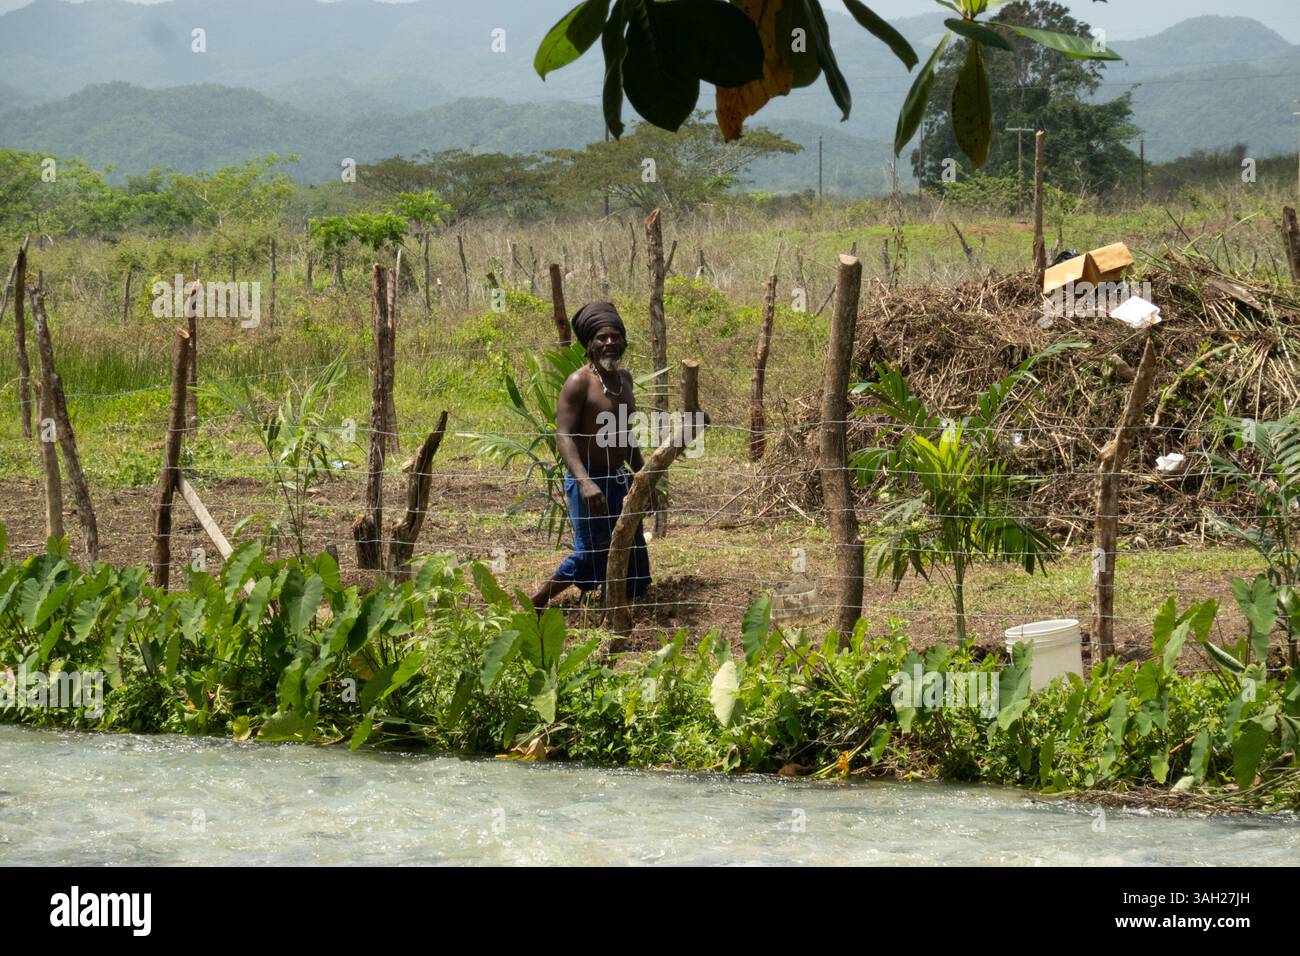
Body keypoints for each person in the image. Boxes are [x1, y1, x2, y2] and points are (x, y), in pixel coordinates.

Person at [531, 301, 652, 612]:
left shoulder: (624, 380)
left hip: (620, 478)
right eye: (601, 337)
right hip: (589, 480)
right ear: (589, 345)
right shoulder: (578, 382)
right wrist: (584, 482)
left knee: (632, 551)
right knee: (591, 554)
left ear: (624, 341)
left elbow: (627, 436)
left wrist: (643, 478)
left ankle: (620, 610)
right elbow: (564, 435)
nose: (610, 342)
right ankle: (536, 602)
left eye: (615, 336)